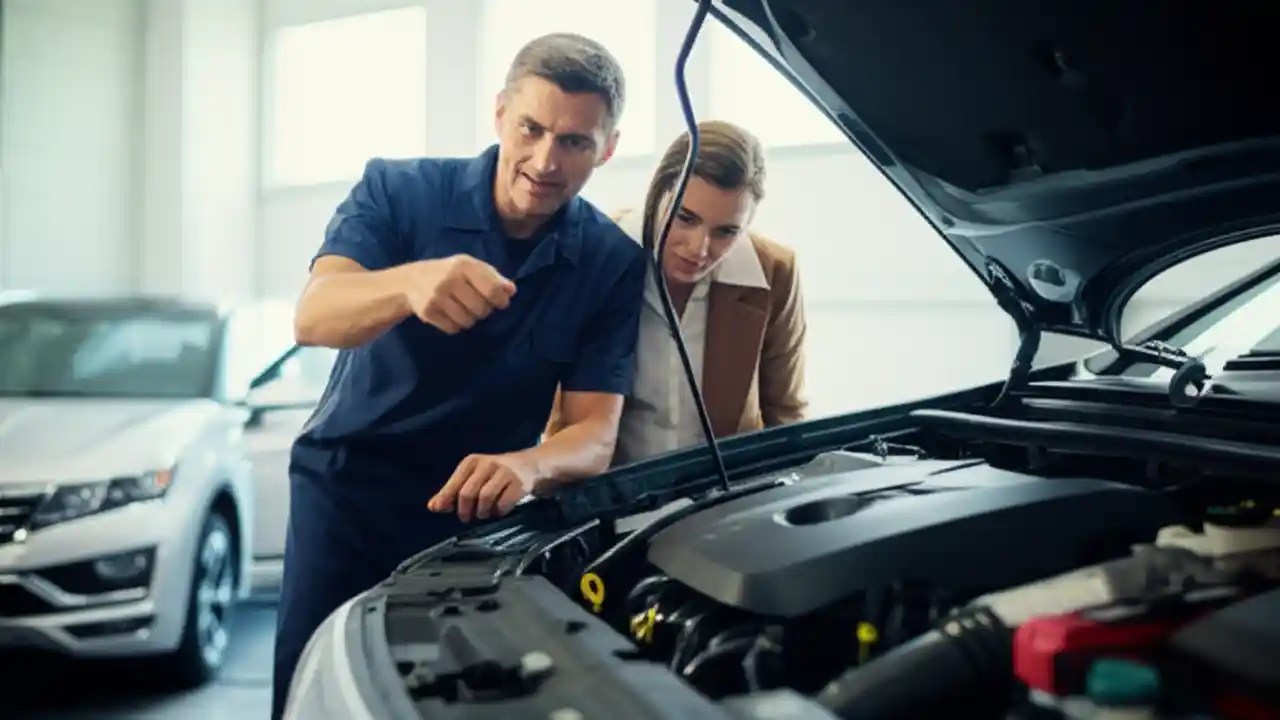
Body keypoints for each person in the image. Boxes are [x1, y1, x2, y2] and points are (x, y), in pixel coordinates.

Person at [272, 33, 646, 718]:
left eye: (575, 142)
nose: (545, 160)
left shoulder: (612, 261)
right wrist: (409, 284)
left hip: (480, 521)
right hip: (347, 496)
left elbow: (596, 432)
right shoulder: (398, 189)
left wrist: (529, 467)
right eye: (531, 128)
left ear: (609, 148)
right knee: (317, 698)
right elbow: (314, 317)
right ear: (500, 112)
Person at [546, 120, 808, 465]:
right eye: (685, 217)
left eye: (726, 231)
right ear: (657, 193)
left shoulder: (775, 272)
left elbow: (785, 417)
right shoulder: (592, 259)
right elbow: (560, 421)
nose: (700, 248)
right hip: (618, 506)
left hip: (726, 503)